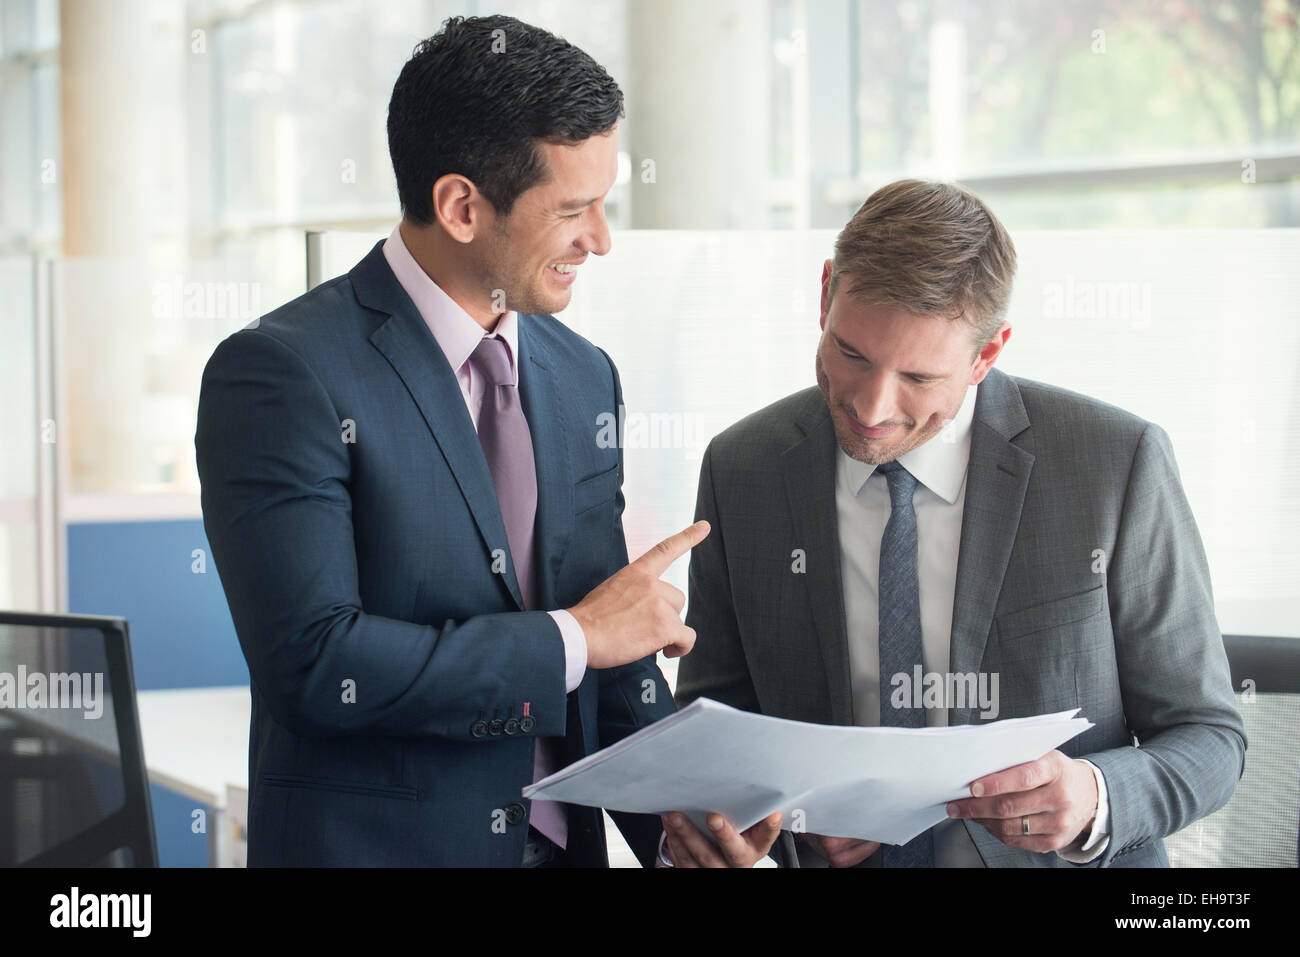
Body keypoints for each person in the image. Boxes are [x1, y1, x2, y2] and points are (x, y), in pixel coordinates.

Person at [195, 14, 736, 867]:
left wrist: (682, 822)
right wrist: (575, 638)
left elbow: (605, 642)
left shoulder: (583, 374)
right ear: (460, 205)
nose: (600, 238)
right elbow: (316, 660)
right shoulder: (282, 373)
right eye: (574, 210)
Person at [673, 179, 1246, 868]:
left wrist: (1094, 795)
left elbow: (1210, 736)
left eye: (918, 376)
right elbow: (718, 730)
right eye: (851, 352)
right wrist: (769, 819)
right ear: (826, 293)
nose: (871, 406)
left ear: (987, 354)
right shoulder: (744, 469)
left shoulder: (1113, 464)